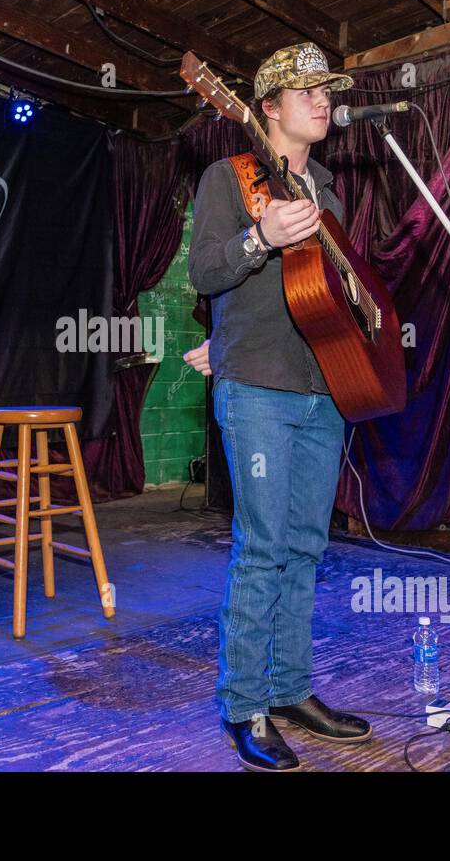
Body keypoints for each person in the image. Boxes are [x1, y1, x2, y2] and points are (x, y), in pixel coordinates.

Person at [186, 41, 372, 773]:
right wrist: (259, 237)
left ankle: (292, 690)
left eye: (328, 91)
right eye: (306, 91)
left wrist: (368, 314)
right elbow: (205, 270)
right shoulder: (228, 178)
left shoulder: (326, 188)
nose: (323, 101)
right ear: (266, 106)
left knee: (307, 548)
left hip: (324, 388)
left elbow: (332, 295)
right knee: (262, 549)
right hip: (258, 383)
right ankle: (244, 707)